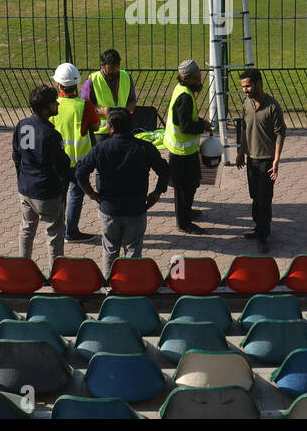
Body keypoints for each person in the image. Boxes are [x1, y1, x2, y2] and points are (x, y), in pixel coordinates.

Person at [77, 108, 170, 278]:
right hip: (136, 209)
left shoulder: (100, 149)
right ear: (131, 125)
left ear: (111, 127)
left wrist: (91, 194)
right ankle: (131, 287)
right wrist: (157, 193)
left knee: (110, 251)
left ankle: (109, 286)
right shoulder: (144, 148)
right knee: (133, 252)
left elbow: (80, 173)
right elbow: (164, 170)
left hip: (109, 210)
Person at [12, 84, 74, 266]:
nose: (58, 104)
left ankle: (23, 268)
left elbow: (16, 156)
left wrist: (22, 178)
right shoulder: (50, 134)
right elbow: (62, 165)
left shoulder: (22, 125)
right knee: (54, 234)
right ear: (46, 108)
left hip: (25, 188)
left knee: (26, 229)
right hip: (47, 192)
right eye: (54, 102)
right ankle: (56, 275)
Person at [235, 68, 286, 253]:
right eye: (243, 86)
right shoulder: (246, 104)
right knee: (255, 198)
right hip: (251, 159)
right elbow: (244, 128)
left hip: (266, 161)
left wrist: (276, 160)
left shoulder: (273, 107)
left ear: (259, 83)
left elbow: (281, 133)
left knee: (264, 200)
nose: (245, 90)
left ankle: (264, 235)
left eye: (248, 85)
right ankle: (259, 228)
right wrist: (241, 151)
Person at [49, 62, 100, 243]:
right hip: (81, 161)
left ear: (59, 85)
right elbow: (95, 126)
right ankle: (71, 231)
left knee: (59, 196)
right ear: (76, 84)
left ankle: (56, 230)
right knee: (76, 195)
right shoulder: (84, 105)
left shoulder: (52, 105)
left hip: (59, 161)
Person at [164, 58, 213, 234]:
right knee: (183, 188)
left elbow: (188, 119)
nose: (199, 80)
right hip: (181, 151)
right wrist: (203, 126)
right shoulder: (184, 96)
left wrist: (201, 122)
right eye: (195, 78)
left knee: (191, 184)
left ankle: (187, 212)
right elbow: (185, 126)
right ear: (185, 78)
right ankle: (183, 222)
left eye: (199, 76)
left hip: (187, 150)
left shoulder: (185, 90)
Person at [82, 49, 136, 144]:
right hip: (101, 132)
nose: (115, 73)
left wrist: (125, 114)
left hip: (122, 130)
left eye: (117, 67)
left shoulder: (126, 77)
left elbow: (132, 101)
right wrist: (103, 112)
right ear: (102, 65)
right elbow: (85, 108)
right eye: (111, 69)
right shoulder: (92, 81)